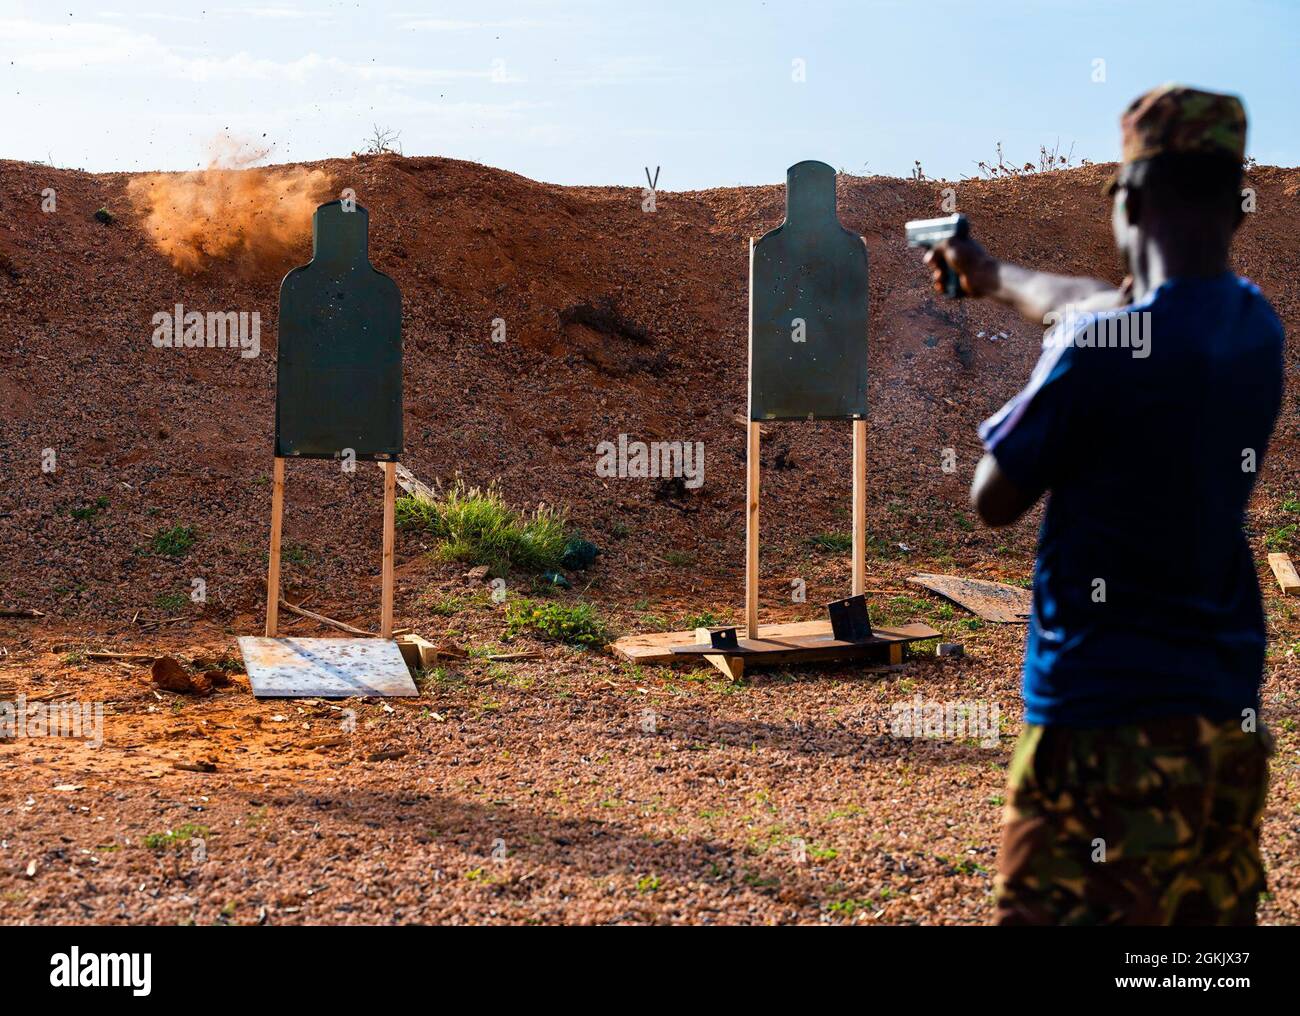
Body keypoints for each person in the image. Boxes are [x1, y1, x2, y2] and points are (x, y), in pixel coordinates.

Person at [922, 84, 1285, 925]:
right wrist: (995, 278)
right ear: (1235, 205)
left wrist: (1058, 350)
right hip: (1222, 715)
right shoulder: (1252, 326)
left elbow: (994, 498)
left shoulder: (1094, 347)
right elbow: (1111, 304)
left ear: (1130, 201)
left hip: (1098, 722)